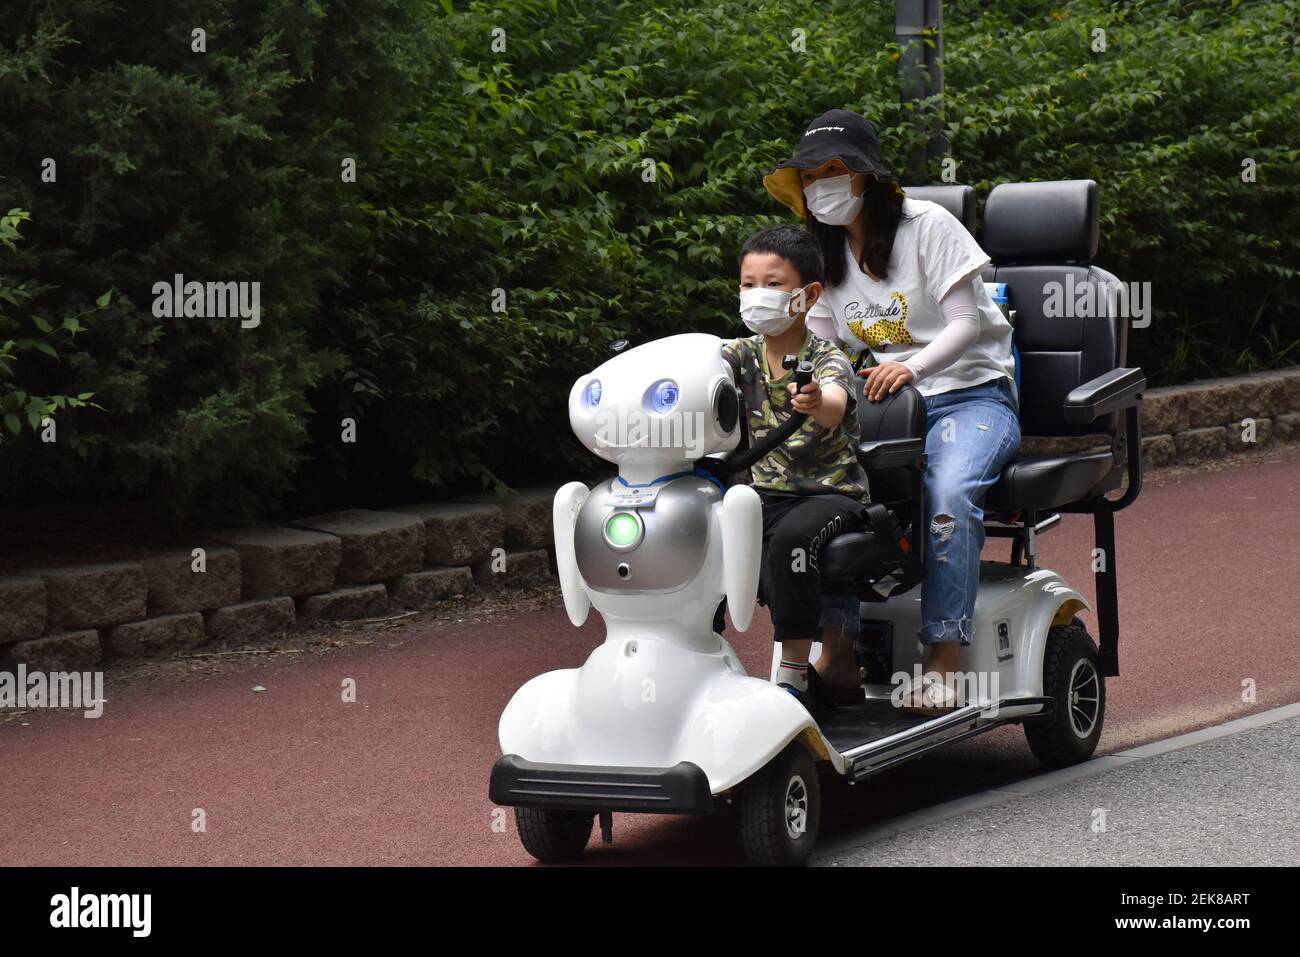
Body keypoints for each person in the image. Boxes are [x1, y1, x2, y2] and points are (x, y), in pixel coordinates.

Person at [762, 109, 1021, 712]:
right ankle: (839, 649)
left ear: (867, 176)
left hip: (973, 394)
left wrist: (911, 366)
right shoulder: (821, 253)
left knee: (948, 498)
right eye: (810, 174)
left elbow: (968, 323)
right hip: (888, 405)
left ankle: (944, 661)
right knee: (826, 494)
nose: (819, 184)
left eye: (834, 170)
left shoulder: (927, 225)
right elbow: (827, 348)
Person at [720, 224, 872, 711]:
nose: (756, 295)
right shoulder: (737, 356)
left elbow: (832, 402)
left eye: (772, 283)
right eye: (748, 284)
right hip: (763, 494)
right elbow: (691, 373)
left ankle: (793, 675)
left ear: (807, 296)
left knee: (791, 542)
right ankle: (705, 653)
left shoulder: (829, 358)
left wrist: (812, 400)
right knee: (699, 526)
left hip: (831, 496)